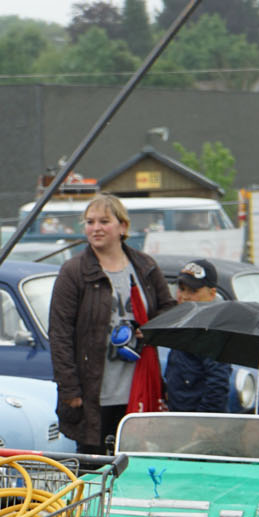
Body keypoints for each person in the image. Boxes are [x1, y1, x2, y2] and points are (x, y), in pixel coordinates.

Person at [48, 193, 175, 454]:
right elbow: (59, 334)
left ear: (123, 227)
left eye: (104, 221)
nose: (95, 228)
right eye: (90, 222)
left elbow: (170, 311)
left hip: (139, 388)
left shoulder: (145, 267)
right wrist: (70, 390)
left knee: (135, 466)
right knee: (95, 470)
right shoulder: (74, 272)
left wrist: (149, 331)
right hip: (93, 395)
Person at [164, 259, 232, 413]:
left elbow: (218, 384)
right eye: (182, 289)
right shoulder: (183, 325)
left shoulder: (212, 331)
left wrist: (202, 421)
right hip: (179, 416)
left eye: (193, 291)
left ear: (211, 294)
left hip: (199, 420)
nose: (185, 296)